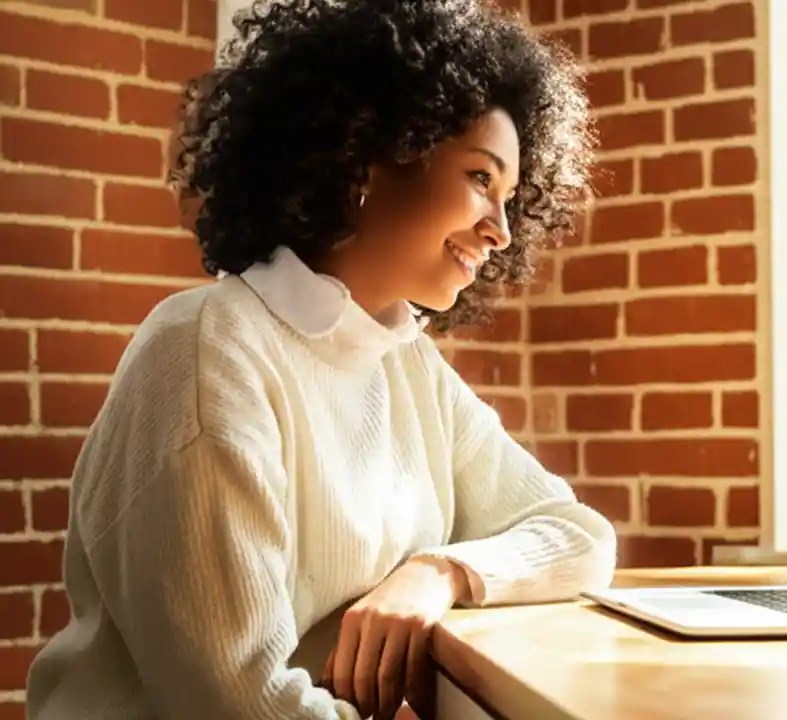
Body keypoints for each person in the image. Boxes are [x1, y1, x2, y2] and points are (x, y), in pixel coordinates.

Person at [24, 1, 615, 718]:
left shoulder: (406, 364)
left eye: (512, 199)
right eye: (481, 179)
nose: (499, 229)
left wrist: (442, 572)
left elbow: (579, 537)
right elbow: (240, 701)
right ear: (368, 153)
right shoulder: (207, 353)